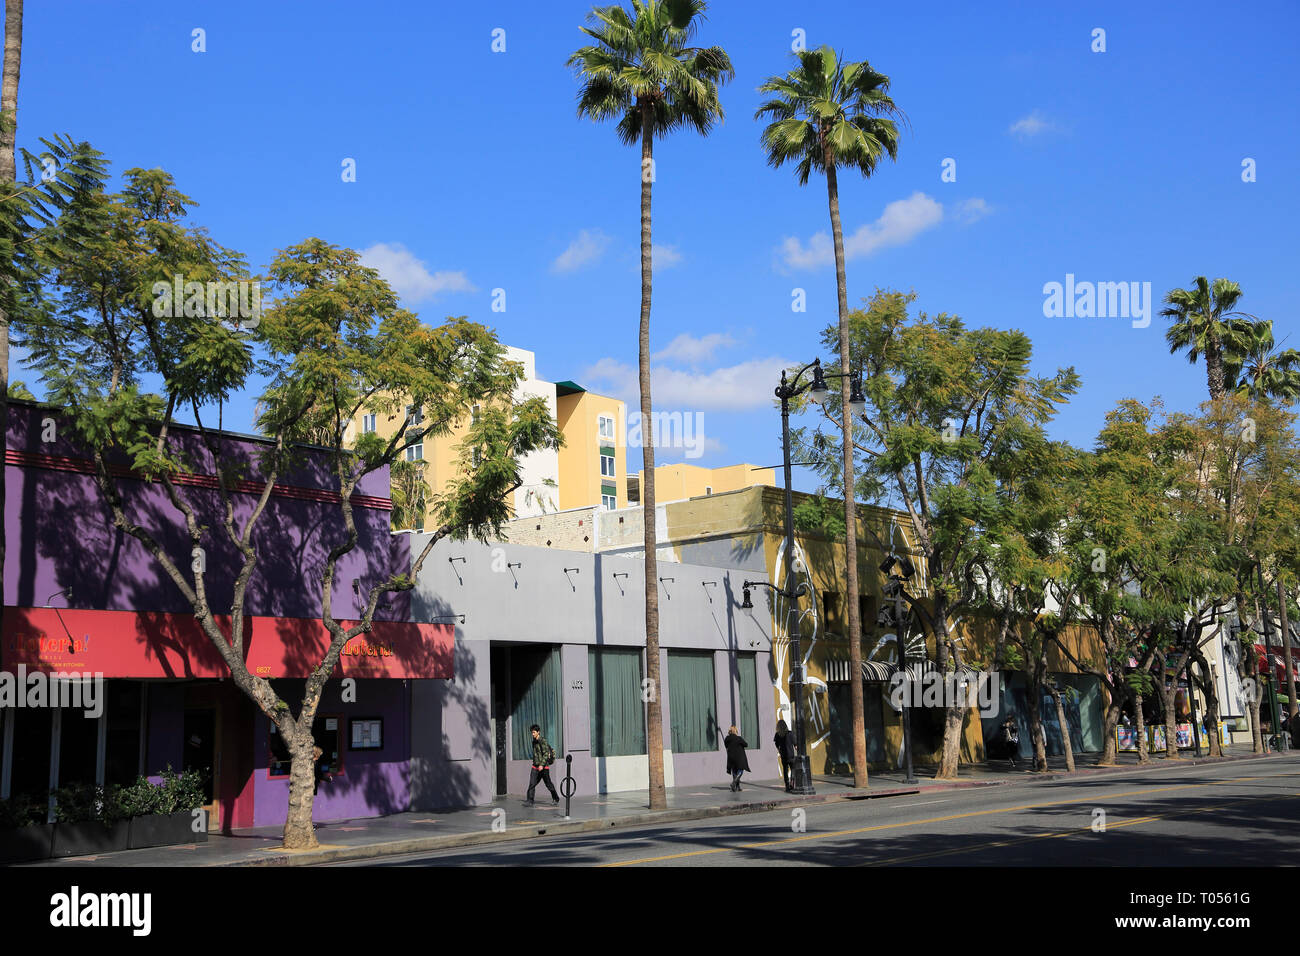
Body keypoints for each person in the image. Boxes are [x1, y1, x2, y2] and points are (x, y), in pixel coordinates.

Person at [524, 724, 559, 806]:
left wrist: (542, 765)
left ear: (538, 732)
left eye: (534, 732)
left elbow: (546, 754)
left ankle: (556, 798)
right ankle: (530, 800)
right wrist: (536, 764)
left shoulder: (543, 741)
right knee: (532, 783)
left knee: (548, 784)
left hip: (544, 767)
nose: (532, 734)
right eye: (532, 732)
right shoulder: (534, 741)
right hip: (535, 766)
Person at [724, 725, 750, 792]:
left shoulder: (727, 738)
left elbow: (726, 745)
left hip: (731, 757)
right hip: (739, 757)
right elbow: (746, 744)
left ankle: (737, 787)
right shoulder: (738, 738)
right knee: (740, 770)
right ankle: (734, 783)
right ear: (735, 731)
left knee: (734, 770)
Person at [773, 719, 795, 792]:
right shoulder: (790, 733)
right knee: (793, 769)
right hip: (791, 754)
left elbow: (776, 744)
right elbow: (795, 744)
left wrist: (779, 750)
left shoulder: (777, 735)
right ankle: (792, 783)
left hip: (783, 755)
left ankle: (787, 786)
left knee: (785, 771)